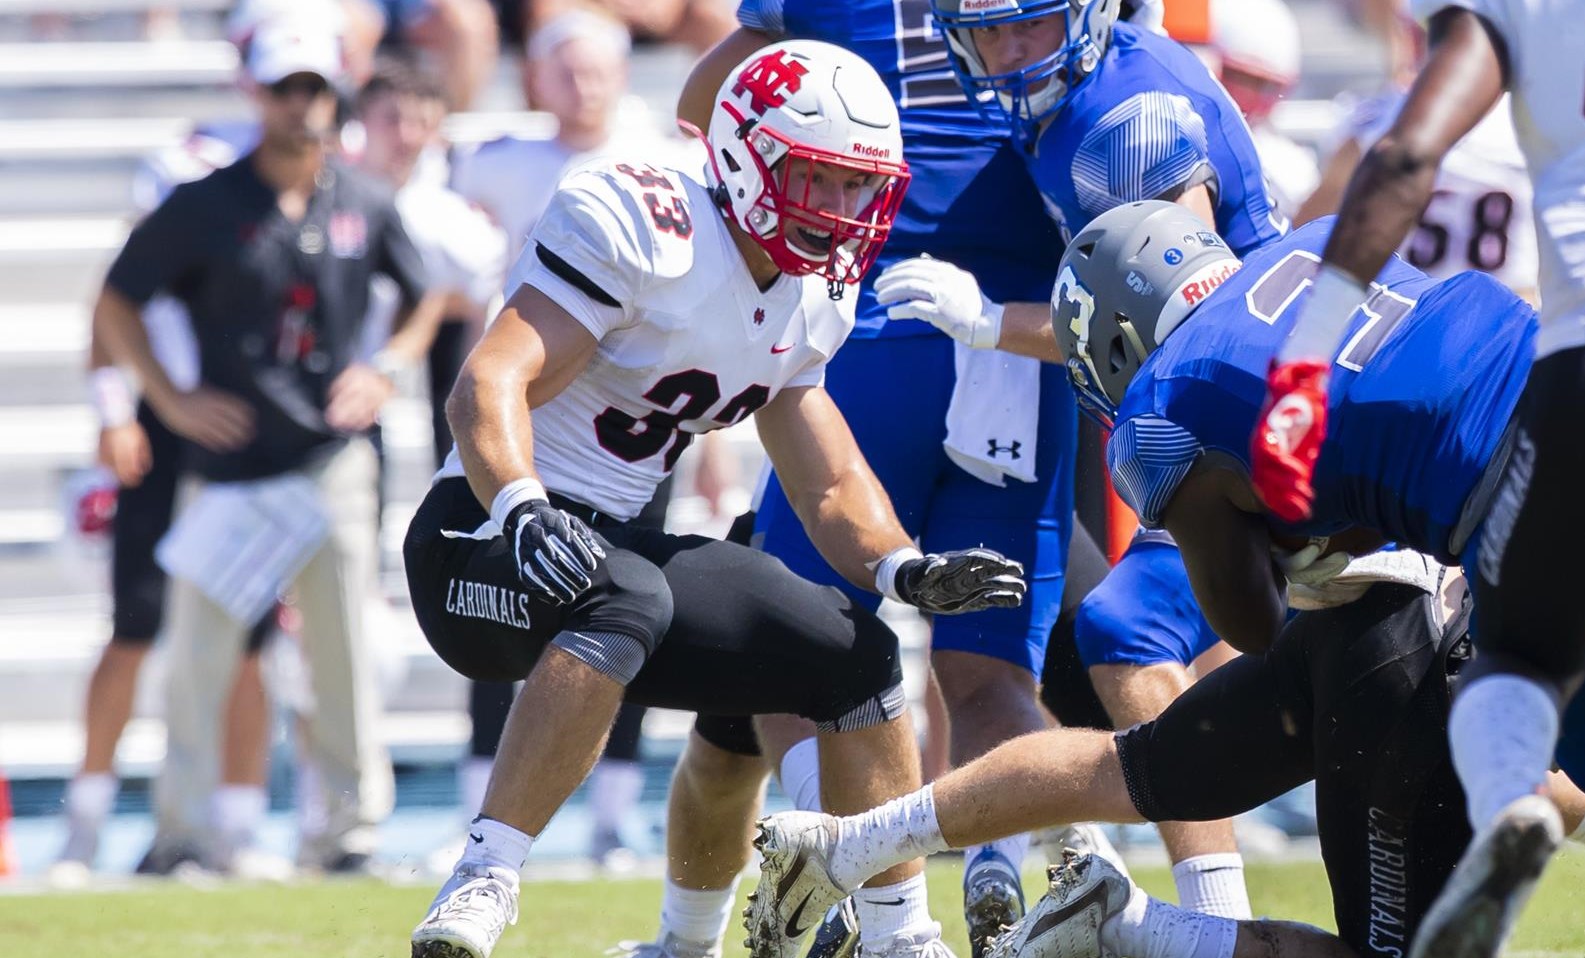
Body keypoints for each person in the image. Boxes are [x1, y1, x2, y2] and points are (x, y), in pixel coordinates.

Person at [744, 199, 1585, 958]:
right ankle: (1103, 920)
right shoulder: (1317, 240)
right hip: (1516, 479)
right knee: (1145, 768)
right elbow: (1403, 396)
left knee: (1133, 766)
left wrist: (1291, 544)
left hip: (1492, 543)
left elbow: (1250, 622)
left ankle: (901, 858)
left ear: (1112, 335)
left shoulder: (1163, 409)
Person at [404, 39, 1024, 958]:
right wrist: (524, 509)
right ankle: (482, 878)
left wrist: (904, 566)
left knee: (852, 650)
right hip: (482, 532)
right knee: (627, 593)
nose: (844, 211)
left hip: (611, 550)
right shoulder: (641, 219)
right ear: (746, 156)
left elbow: (828, 478)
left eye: (861, 187)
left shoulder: (811, 297)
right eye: (820, 179)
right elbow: (484, 386)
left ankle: (900, 936)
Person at [871, 0, 1288, 930]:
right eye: (992, 30)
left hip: (1250, 409)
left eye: (1034, 25)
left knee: (1129, 624)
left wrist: (989, 322)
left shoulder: (1125, 120)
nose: (1012, 52)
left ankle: (1215, 926)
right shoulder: (1076, 98)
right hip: (1224, 407)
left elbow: (1176, 314)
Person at [1251, 2, 1585, 952]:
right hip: (1509, 350)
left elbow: (1364, 189)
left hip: (1464, 402)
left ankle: (1510, 808)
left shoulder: (1490, 43)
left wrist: (1306, 357)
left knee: (1512, 657)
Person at [93, 20, 439, 875]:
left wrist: (386, 368)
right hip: (230, 465)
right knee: (199, 662)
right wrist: (168, 400)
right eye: (286, 88)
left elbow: (427, 294)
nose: (301, 106)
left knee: (344, 652)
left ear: (335, 98)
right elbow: (116, 300)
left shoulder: (361, 199)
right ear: (256, 92)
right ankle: (184, 834)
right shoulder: (206, 203)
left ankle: (349, 831)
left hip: (329, 457)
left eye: (315, 89)